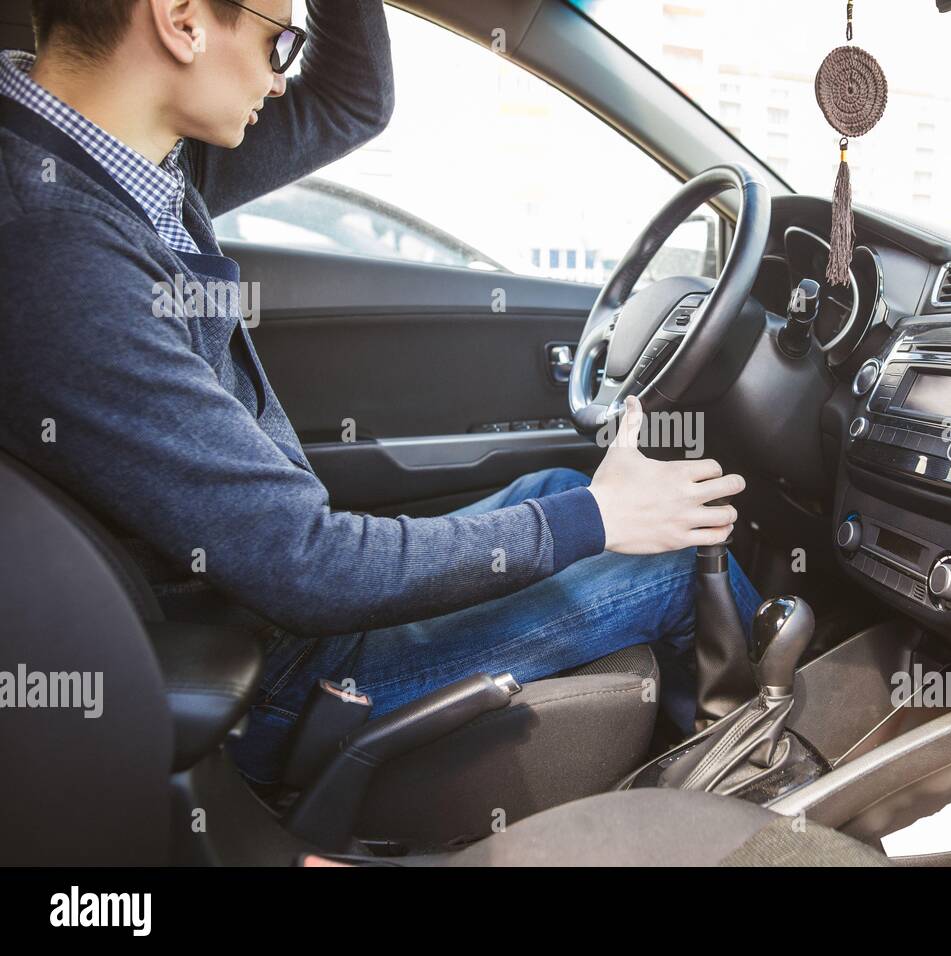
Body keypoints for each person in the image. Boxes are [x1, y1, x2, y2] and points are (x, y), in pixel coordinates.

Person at [0, 0, 761, 784]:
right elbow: (305, 563)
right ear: (183, 18)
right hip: (268, 673)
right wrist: (601, 519)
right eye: (279, 40)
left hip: (250, 613)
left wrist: (583, 510)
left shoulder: (120, 158)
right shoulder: (62, 258)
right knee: (672, 557)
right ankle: (773, 786)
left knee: (558, 487)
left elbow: (349, 101)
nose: (280, 73)